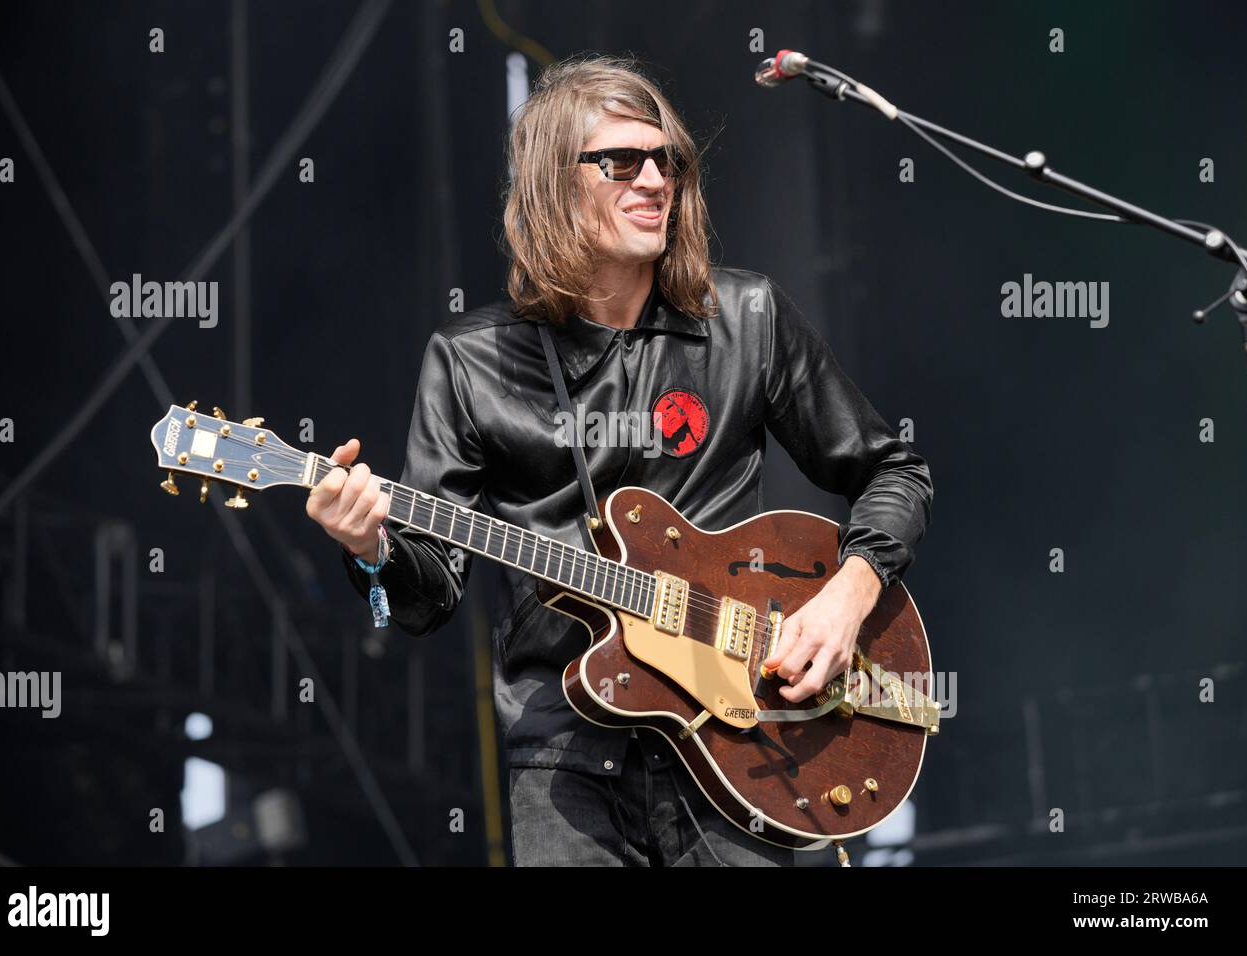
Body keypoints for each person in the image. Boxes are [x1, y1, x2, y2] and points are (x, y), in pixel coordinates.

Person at [305, 54, 933, 866]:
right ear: (553, 186)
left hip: (750, 739)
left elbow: (895, 471)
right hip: (568, 762)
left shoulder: (747, 318)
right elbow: (427, 598)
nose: (653, 180)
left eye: (666, 160)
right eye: (621, 161)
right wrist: (370, 547)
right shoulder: (472, 364)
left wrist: (850, 595)